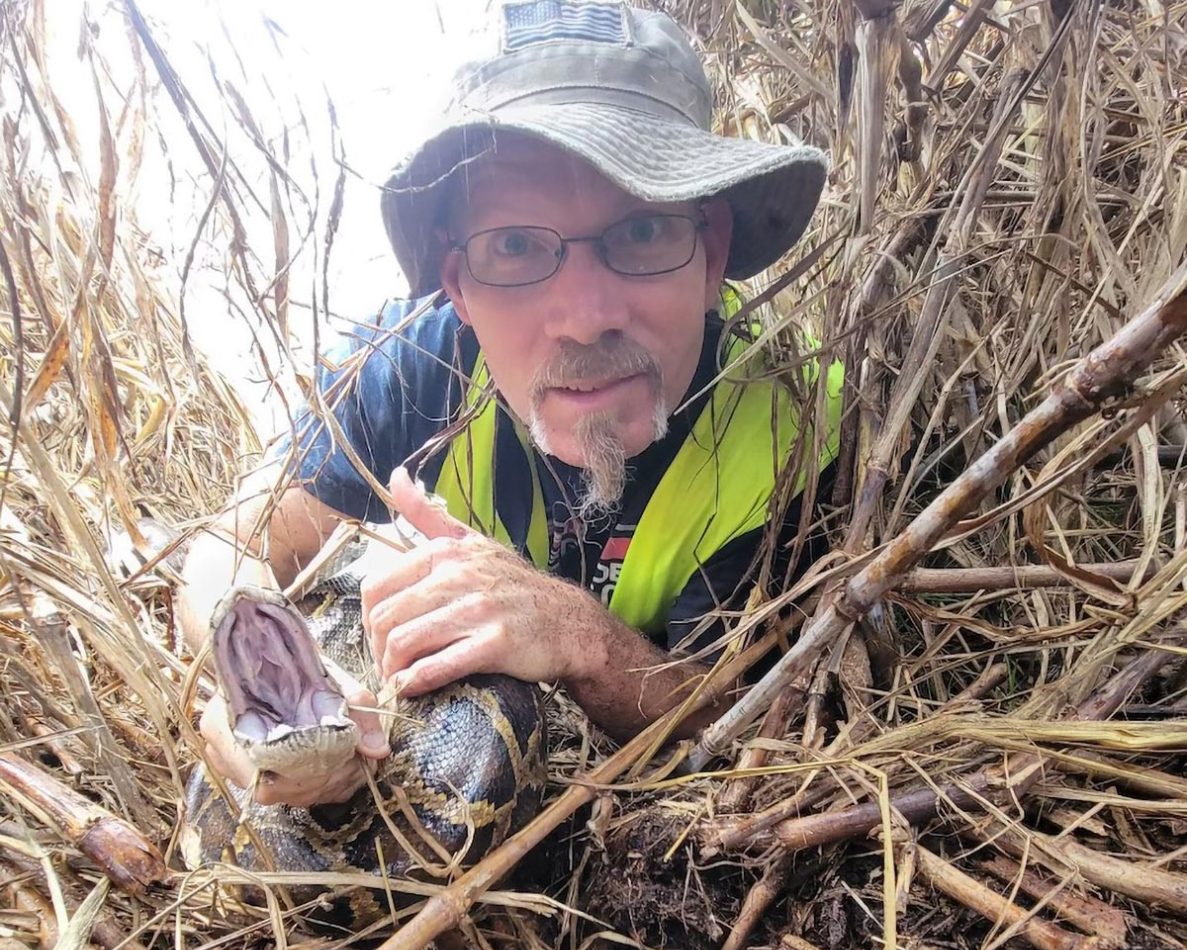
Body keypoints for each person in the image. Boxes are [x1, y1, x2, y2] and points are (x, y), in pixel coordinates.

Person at [179, 0, 841, 809]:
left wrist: (584, 644)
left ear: (711, 258)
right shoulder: (413, 363)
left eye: (640, 233)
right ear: (455, 287)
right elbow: (227, 548)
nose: (585, 315)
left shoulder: (789, 424)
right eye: (515, 248)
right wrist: (250, 683)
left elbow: (758, 734)